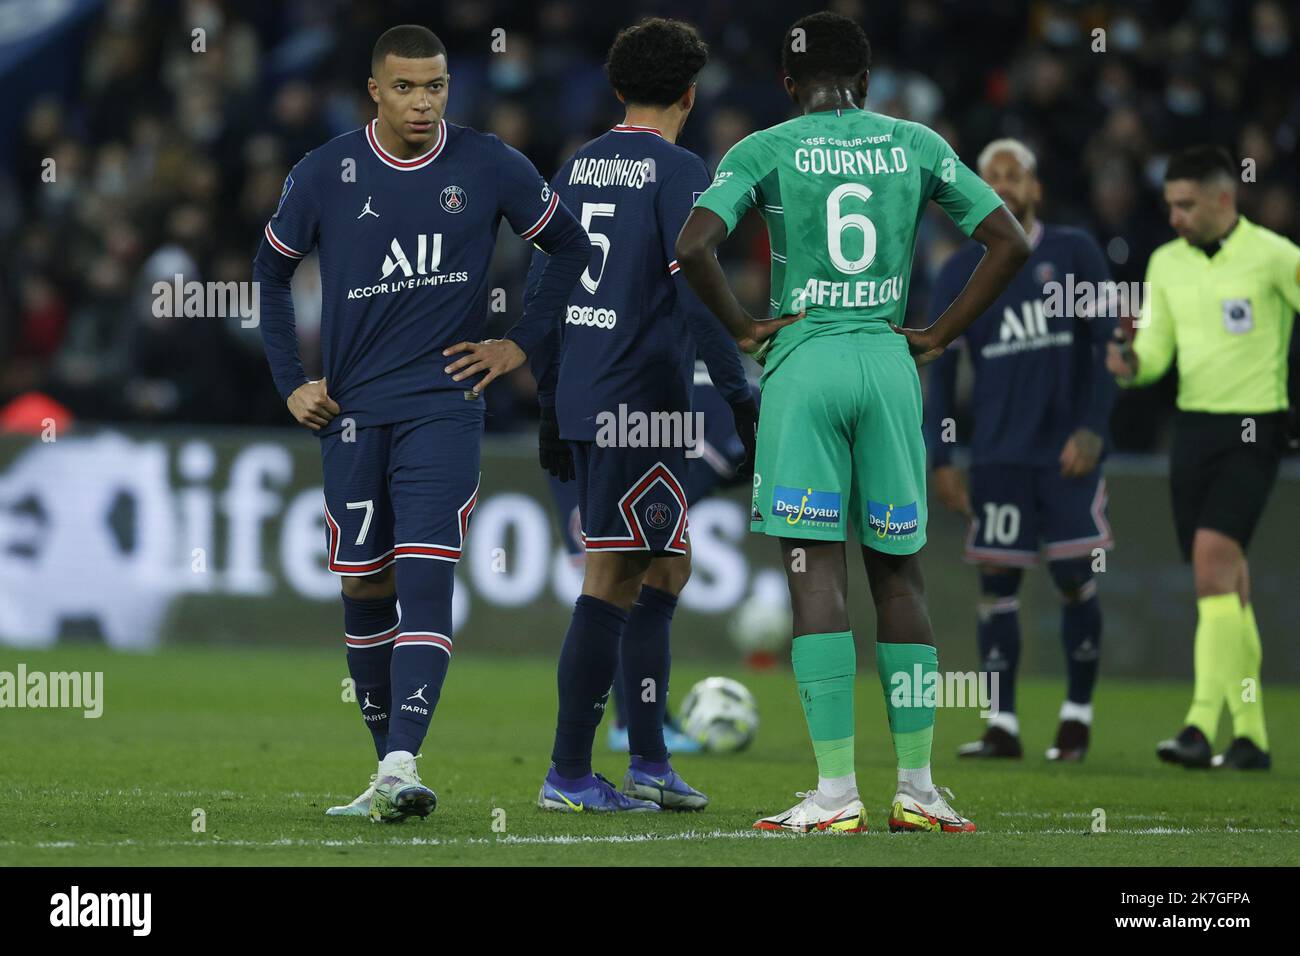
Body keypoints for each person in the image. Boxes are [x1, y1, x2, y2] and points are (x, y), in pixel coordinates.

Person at [676, 10, 1029, 833]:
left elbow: (694, 246)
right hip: (889, 366)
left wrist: (740, 327)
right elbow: (1006, 241)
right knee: (900, 576)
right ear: (867, 82)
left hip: (805, 363)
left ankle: (836, 795)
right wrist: (939, 333)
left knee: (814, 574)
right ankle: (920, 788)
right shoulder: (918, 143)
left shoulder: (763, 146)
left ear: (789, 85)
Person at [253, 24, 590, 821]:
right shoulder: (326, 171)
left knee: (426, 571)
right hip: (352, 413)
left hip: (444, 406)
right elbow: (269, 272)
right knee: (365, 584)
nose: (422, 102)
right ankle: (389, 774)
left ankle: (405, 757)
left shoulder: (488, 163)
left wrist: (516, 345)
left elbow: (573, 249)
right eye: (405, 87)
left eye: (435, 86)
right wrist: (289, 384)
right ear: (376, 90)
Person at [516, 17, 763, 814]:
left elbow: (540, 293)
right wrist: (738, 393)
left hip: (591, 392)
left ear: (621, 89)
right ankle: (568, 774)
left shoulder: (578, 165)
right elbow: (697, 290)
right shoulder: (680, 167)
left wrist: (551, 401)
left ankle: (651, 761)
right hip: (642, 400)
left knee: (666, 565)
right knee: (614, 576)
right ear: (690, 94)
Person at [1108, 145, 1299, 771]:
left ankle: (1197, 725)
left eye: (1186, 204)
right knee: (1228, 587)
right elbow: (1158, 350)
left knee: (1212, 564)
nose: (1175, 217)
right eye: (1169, 205)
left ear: (1225, 197)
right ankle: (1251, 737)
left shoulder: (1274, 256)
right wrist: (1132, 365)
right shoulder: (1165, 263)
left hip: (1254, 427)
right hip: (1191, 432)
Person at [925, 139, 1117, 762]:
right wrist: (942, 458)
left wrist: (1094, 427)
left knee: (1072, 577)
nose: (1003, 185)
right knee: (997, 582)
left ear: (1036, 187)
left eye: (1015, 175)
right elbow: (942, 377)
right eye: (992, 177)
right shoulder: (957, 271)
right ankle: (1001, 724)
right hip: (999, 456)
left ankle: (1077, 716)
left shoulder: (1075, 252)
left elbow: (1109, 349)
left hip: (1066, 454)